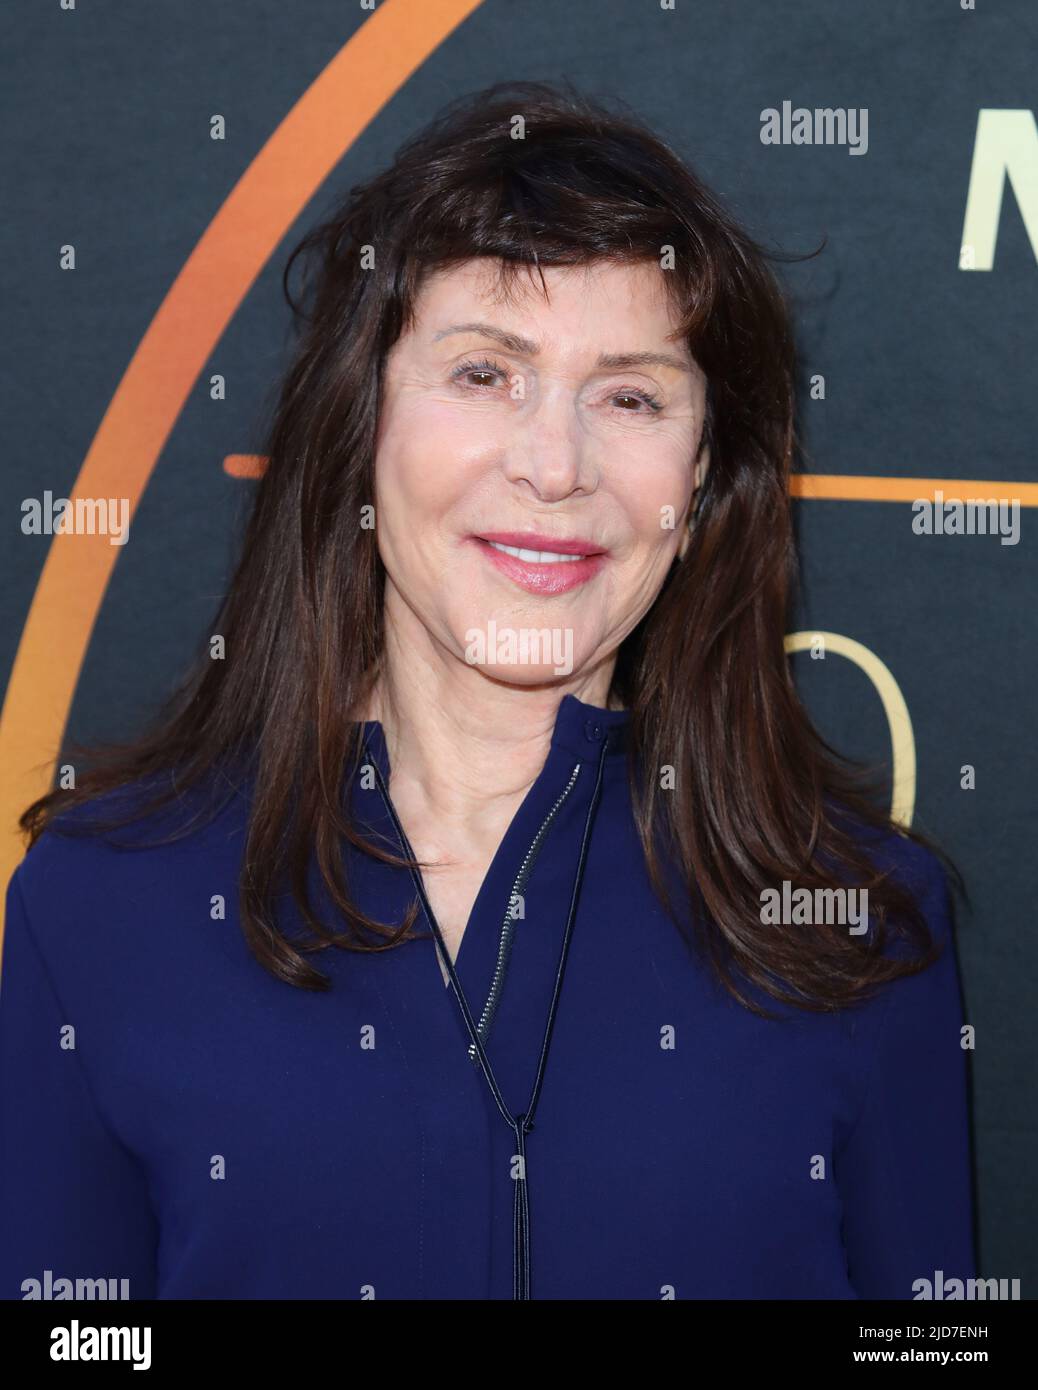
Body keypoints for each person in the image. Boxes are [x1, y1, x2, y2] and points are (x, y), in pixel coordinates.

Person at [0, 81, 974, 1301]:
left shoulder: (858, 923)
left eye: (629, 396)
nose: (554, 466)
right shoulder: (98, 905)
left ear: (704, 475)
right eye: (484, 374)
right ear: (360, 424)